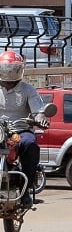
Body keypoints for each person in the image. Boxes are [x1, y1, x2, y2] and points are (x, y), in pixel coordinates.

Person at [0, 51, 50, 208]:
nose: (9, 73)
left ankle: (25, 189)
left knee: (30, 144)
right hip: (0, 131)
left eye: (13, 69)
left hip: (21, 131)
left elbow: (38, 110)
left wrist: (40, 117)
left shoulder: (28, 90)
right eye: (6, 69)